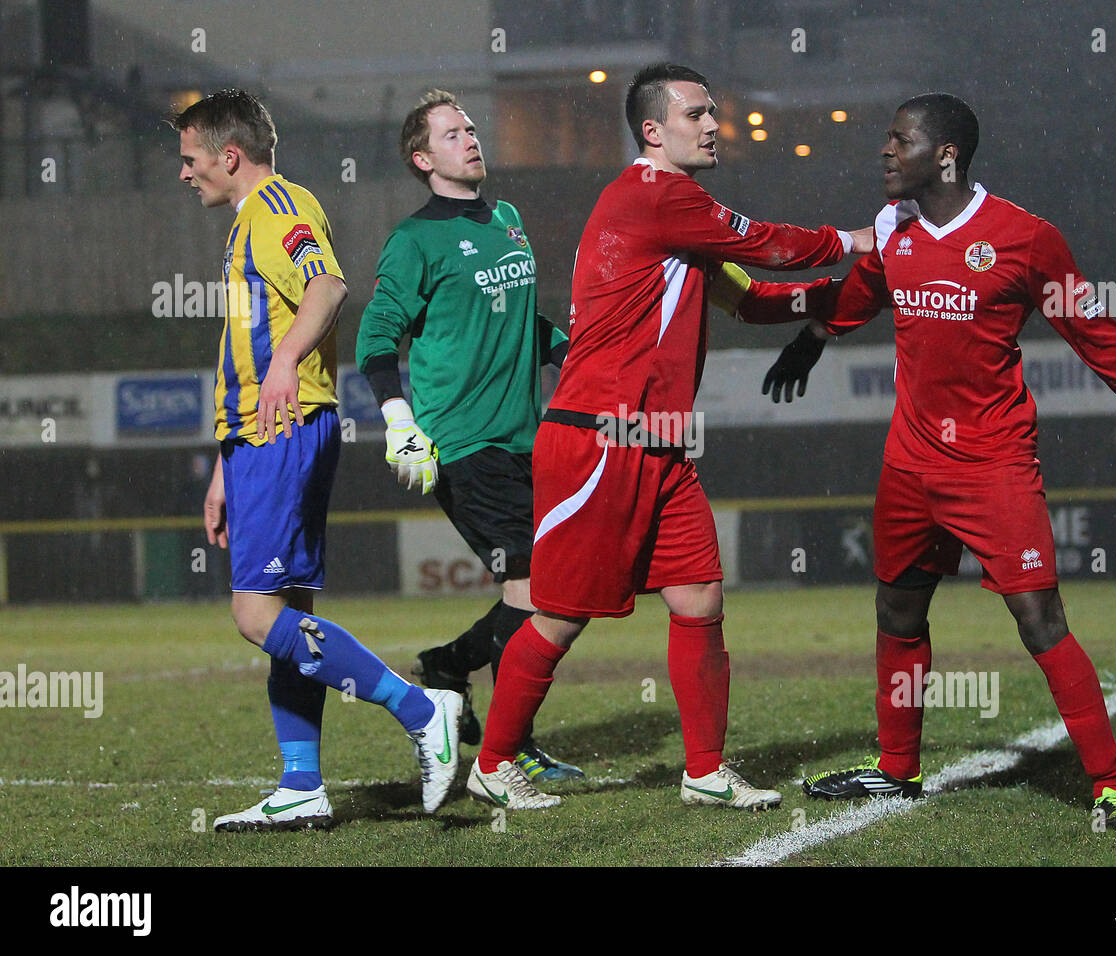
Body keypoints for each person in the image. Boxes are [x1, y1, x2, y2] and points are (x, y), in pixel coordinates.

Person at [760, 93, 1116, 829]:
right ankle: (896, 771)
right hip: (909, 463)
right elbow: (867, 288)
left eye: (898, 139)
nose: (884, 150)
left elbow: (1093, 330)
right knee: (897, 609)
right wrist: (813, 336)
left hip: (992, 464)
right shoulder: (893, 228)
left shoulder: (1025, 239)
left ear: (945, 155)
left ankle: (1111, 785)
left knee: (1039, 619)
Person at [463, 63, 874, 812]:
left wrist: (851, 291)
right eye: (697, 113)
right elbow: (769, 244)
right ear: (652, 131)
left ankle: (705, 770)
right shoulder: (655, 197)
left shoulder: (680, 224)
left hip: (657, 444)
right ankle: (493, 762)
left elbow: (753, 302)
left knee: (698, 598)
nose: (714, 123)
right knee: (558, 613)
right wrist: (858, 237)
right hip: (601, 437)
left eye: (714, 110)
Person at [174, 89, 461, 831]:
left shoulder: (275, 209)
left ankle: (421, 707)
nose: (185, 174)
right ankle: (301, 783)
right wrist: (222, 467)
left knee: (254, 612)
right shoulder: (249, 222)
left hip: (283, 427)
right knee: (290, 614)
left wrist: (286, 365)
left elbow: (329, 285)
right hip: (258, 436)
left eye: (190, 159)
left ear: (227, 156)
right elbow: (249, 350)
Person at [356, 89, 583, 784]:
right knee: (538, 587)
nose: (472, 139)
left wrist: (572, 355)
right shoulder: (414, 240)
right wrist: (398, 418)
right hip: (462, 443)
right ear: (423, 159)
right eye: (453, 134)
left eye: (472, 128)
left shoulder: (506, 218)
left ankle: (452, 665)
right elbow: (373, 333)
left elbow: (523, 322)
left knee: (555, 589)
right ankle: (507, 752)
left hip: (526, 439)